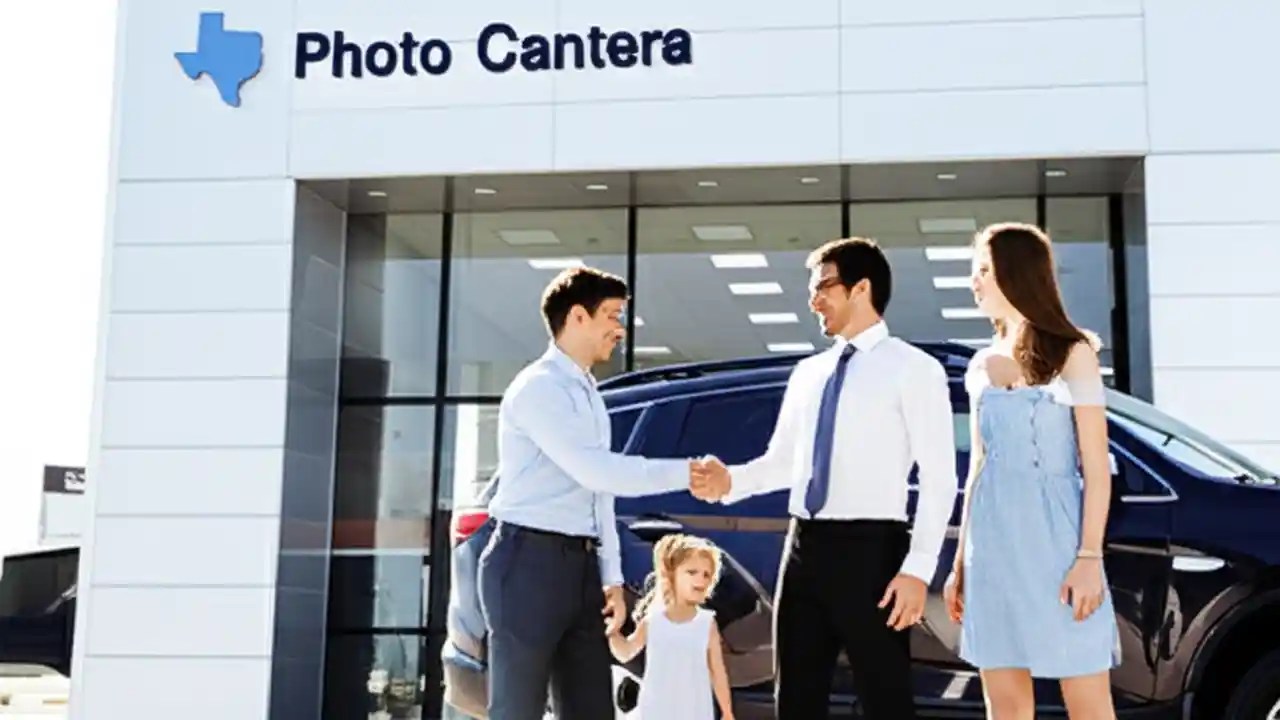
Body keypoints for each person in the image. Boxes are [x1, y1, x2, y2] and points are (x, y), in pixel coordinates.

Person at [693, 237, 957, 719]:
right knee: (795, 697)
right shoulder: (808, 373)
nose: (813, 300)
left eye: (823, 288)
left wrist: (918, 569)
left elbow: (940, 477)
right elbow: (781, 462)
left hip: (873, 553)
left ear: (861, 288)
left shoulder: (915, 369)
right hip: (804, 549)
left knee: (886, 699)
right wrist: (729, 482)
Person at [479, 266, 704, 720]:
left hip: (579, 566)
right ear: (577, 317)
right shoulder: (539, 388)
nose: (620, 329)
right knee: (517, 710)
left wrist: (611, 576)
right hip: (526, 563)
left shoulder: (587, 391)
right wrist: (689, 473)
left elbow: (596, 495)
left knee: (590, 708)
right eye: (612, 316)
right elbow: (597, 472)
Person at [943, 221, 1120, 719]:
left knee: (1088, 701)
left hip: (1059, 541)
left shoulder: (1073, 352)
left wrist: (1089, 558)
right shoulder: (980, 365)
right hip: (992, 546)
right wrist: (960, 564)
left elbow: (1097, 467)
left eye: (983, 270)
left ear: (1015, 275)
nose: (974, 282)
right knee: (1006, 706)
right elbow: (978, 466)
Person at [606, 533, 735, 720]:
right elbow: (626, 652)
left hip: (695, 711)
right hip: (656, 710)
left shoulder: (706, 623)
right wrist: (613, 633)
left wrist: (727, 711)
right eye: (692, 572)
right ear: (672, 575)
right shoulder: (653, 620)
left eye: (707, 574)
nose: (701, 579)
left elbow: (717, 670)